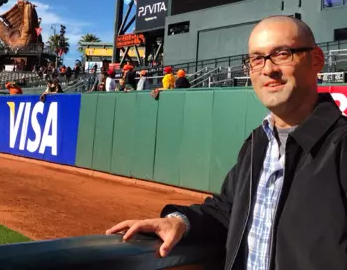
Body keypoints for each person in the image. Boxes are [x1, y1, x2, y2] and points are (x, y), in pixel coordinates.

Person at [107, 15, 347, 269]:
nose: (268, 69)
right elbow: (227, 210)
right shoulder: (258, 143)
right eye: (257, 59)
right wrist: (180, 221)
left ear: (316, 60)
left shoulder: (341, 146)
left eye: (282, 53)